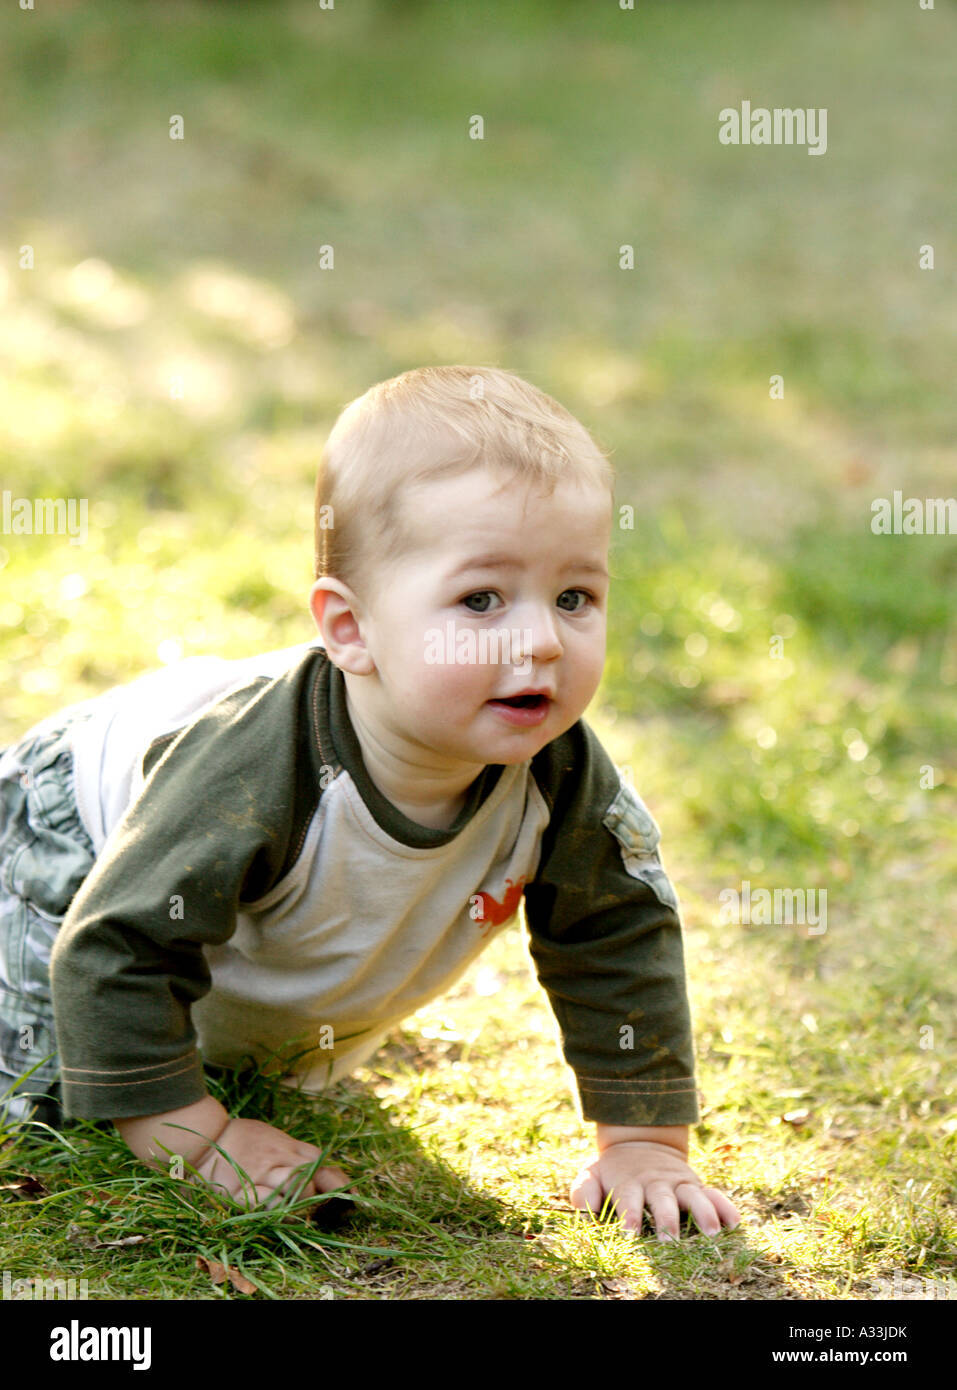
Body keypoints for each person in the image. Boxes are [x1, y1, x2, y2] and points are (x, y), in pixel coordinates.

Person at [0, 365, 740, 1242]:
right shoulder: (254, 771)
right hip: (71, 829)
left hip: (186, 879)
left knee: (256, 1056)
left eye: (574, 596)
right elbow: (116, 938)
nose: (541, 640)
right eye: (481, 599)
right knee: (50, 1097)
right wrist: (195, 1142)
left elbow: (615, 934)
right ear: (350, 629)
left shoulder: (561, 774)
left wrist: (645, 1142)